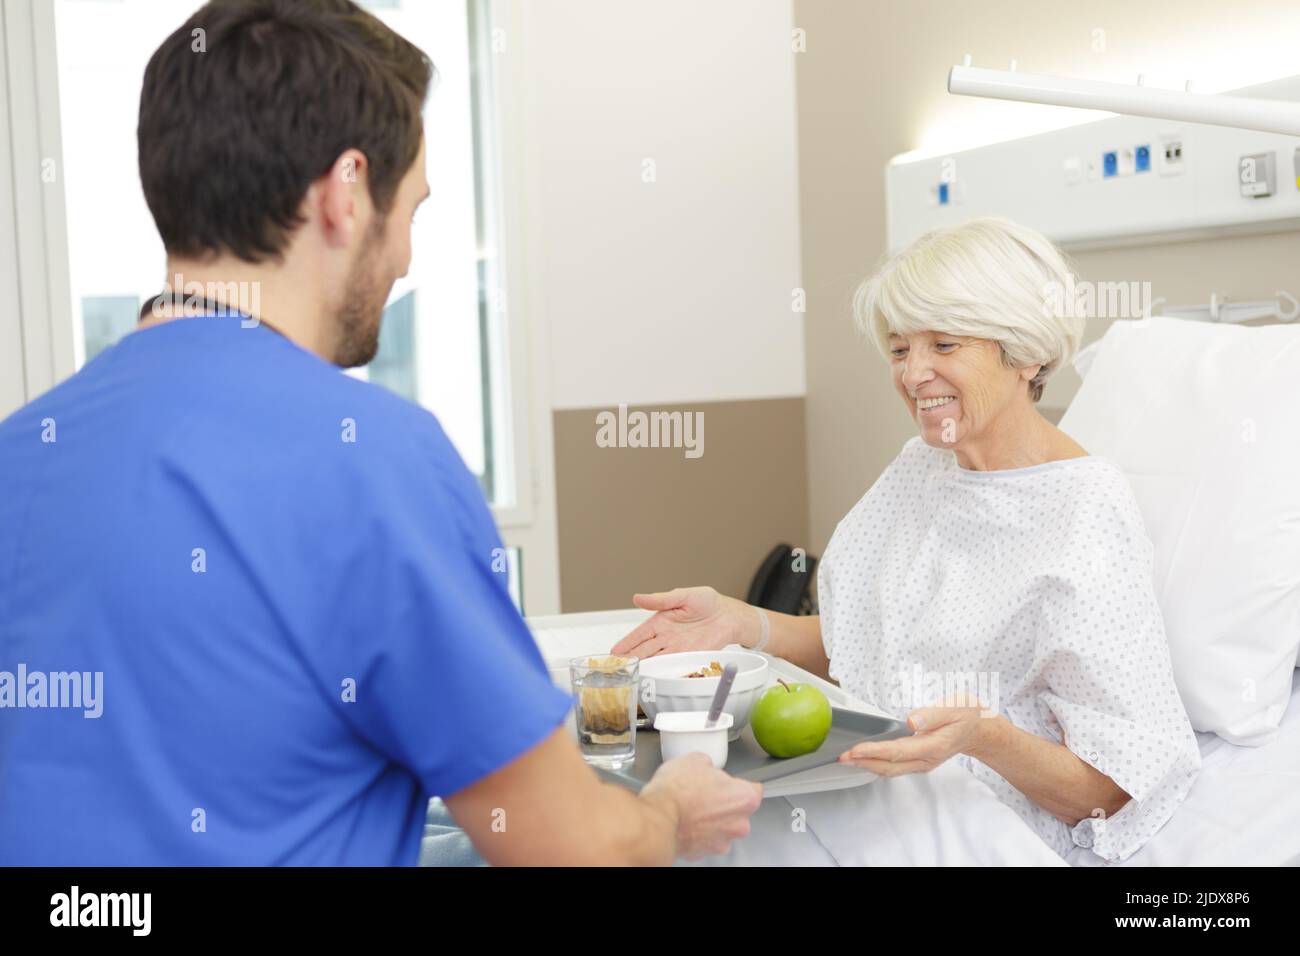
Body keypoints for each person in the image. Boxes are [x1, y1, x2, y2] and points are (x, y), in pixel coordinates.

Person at [0, 0, 760, 866]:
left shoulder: (22, 449)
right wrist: (667, 813)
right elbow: (573, 850)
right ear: (346, 192)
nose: (406, 257)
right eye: (413, 209)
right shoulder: (373, 455)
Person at [614, 217, 1201, 864]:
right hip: (870, 782)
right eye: (899, 349)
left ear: (1027, 352)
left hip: (982, 822)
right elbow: (869, 644)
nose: (914, 374)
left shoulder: (1085, 512)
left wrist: (980, 737)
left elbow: (1110, 790)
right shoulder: (921, 468)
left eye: (945, 345)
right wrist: (742, 623)